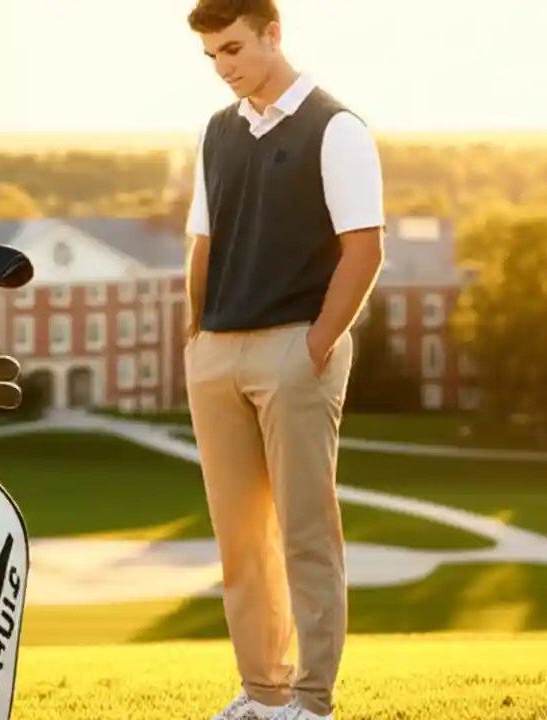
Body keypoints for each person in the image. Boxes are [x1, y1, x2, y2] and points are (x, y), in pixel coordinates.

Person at [181, 2, 386, 719]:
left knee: (304, 533)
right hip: (218, 352)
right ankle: (264, 693)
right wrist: (195, 336)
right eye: (212, 57)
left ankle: (311, 701)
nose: (224, 67)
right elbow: (202, 244)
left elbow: (365, 248)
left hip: (296, 346)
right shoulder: (218, 133)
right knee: (241, 540)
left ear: (273, 34)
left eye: (233, 49)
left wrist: (318, 345)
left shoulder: (336, 129)